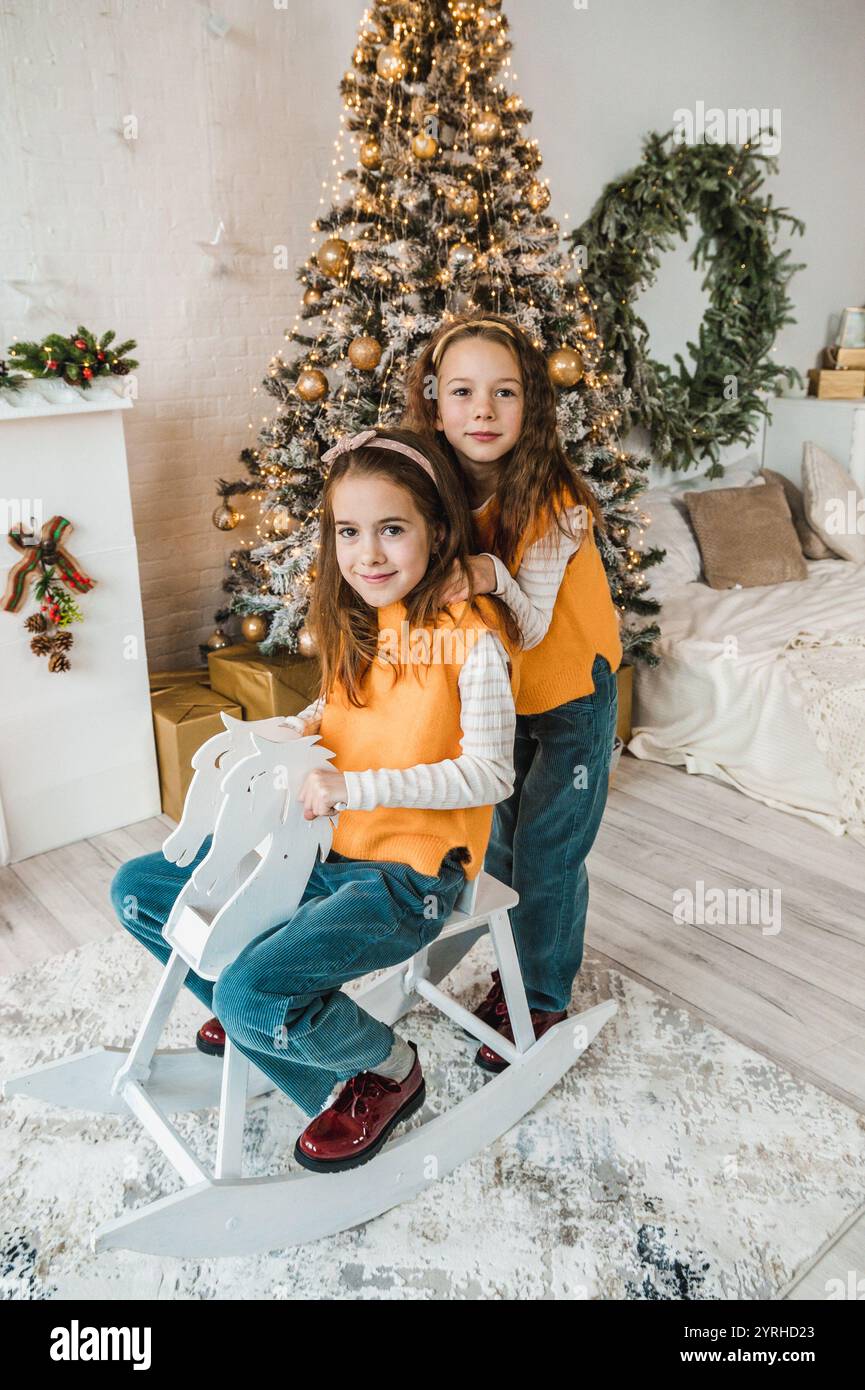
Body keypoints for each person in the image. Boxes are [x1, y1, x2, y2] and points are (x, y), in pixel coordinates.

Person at [110, 426, 522, 1172]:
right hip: (323, 848)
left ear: (435, 531)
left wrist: (355, 786)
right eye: (349, 532)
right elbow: (339, 716)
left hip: (407, 876)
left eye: (391, 530)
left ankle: (387, 1069)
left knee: (249, 994)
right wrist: (290, 725)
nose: (367, 554)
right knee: (139, 891)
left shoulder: (472, 642)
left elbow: (492, 773)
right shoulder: (359, 625)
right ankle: (273, 1023)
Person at [403, 314, 622, 1072]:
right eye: (462, 393)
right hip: (500, 697)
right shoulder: (431, 486)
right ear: (435, 406)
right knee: (497, 839)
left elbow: (526, 627)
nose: (483, 411)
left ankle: (541, 990)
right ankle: (514, 963)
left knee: (548, 851)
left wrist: (488, 572)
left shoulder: (554, 502)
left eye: (504, 393)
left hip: (568, 689)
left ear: (531, 408)